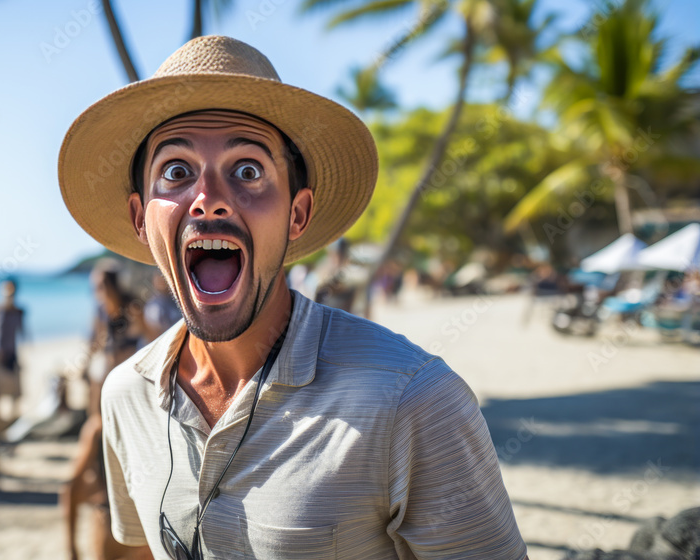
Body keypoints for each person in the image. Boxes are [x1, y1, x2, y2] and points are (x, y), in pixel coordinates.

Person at [57, 36, 529, 558]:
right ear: (140, 219)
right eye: (176, 171)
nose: (208, 200)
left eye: (248, 170)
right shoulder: (126, 394)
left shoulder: (413, 401)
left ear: (296, 215)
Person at [60, 263, 147, 560]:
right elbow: (92, 347)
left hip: (127, 415)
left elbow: (154, 339)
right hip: (98, 415)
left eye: (101, 286)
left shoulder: (133, 312)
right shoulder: (101, 315)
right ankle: (72, 550)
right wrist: (75, 370)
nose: (97, 292)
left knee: (112, 489)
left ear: (114, 285)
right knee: (75, 485)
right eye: (94, 287)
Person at [0, 277, 26, 419]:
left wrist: (25, 353)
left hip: (12, 352)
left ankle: (14, 416)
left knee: (15, 387)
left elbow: (22, 332)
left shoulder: (18, 311)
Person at [143, 270, 182, 343]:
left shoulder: (181, 297)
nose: (161, 282)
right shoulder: (153, 306)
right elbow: (156, 332)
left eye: (164, 278)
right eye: (158, 279)